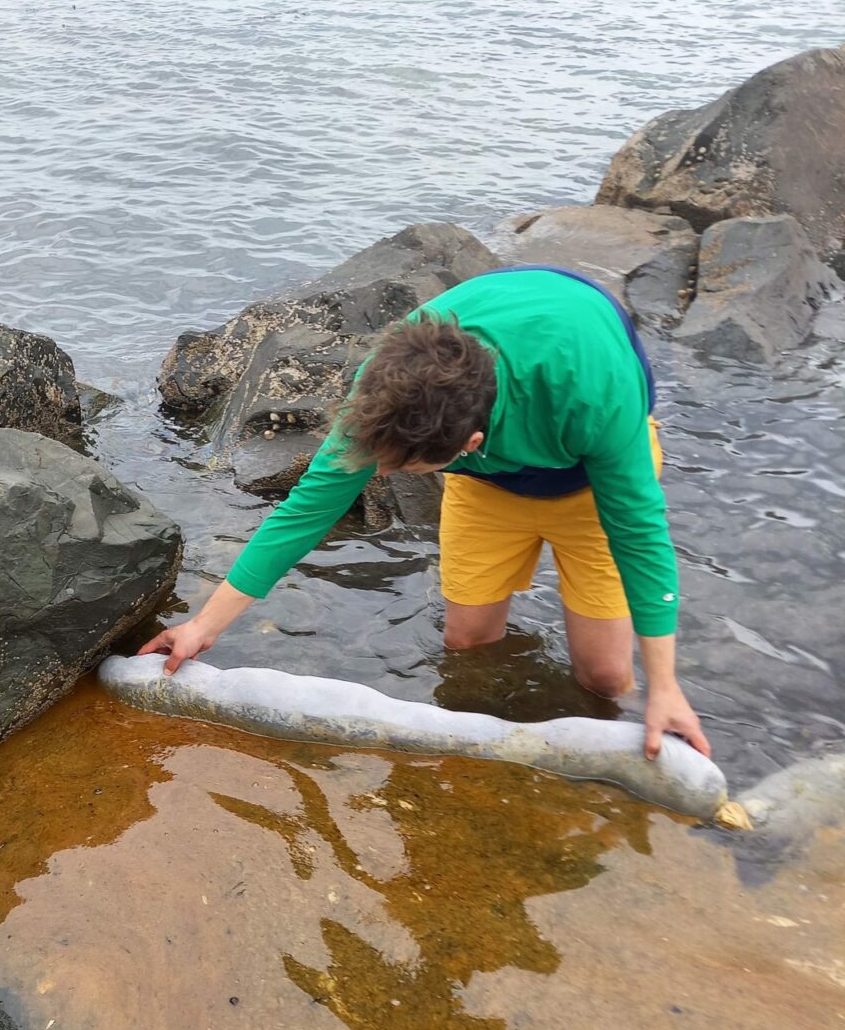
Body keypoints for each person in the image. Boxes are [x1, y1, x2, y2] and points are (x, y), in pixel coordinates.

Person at [140, 267, 709, 760]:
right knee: (467, 644)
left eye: (400, 468)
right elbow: (306, 511)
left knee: (605, 677)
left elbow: (641, 537)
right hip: (489, 490)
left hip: (587, 484)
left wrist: (665, 686)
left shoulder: (595, 391)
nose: (379, 476)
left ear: (470, 443)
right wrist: (201, 628)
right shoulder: (387, 385)